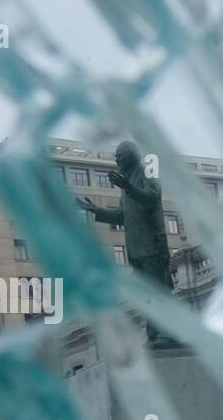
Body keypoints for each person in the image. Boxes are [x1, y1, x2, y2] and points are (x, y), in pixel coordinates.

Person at [75, 141, 174, 342]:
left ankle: (168, 332)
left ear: (132, 154)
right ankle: (154, 333)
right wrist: (96, 210)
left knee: (159, 290)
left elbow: (153, 199)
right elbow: (123, 216)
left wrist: (128, 186)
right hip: (136, 248)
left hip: (151, 244)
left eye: (120, 154)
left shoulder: (147, 172)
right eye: (116, 155)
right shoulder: (126, 182)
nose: (116, 158)